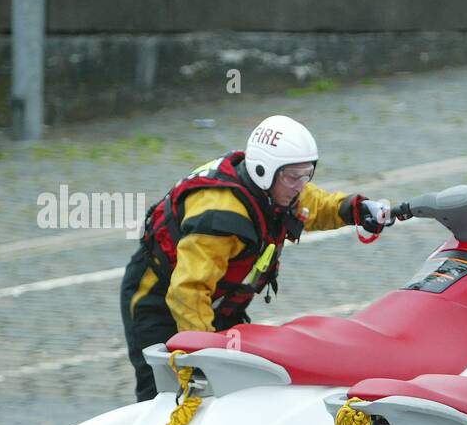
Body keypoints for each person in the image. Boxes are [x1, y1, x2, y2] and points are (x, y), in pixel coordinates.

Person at [120, 115, 392, 401]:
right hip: (158, 301)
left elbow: (314, 204)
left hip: (217, 304)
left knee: (234, 390)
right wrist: (204, 358)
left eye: (306, 174)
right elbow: (188, 293)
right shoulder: (221, 219)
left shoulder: (274, 190)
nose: (300, 185)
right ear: (264, 171)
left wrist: (353, 209)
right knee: (164, 396)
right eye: (293, 177)